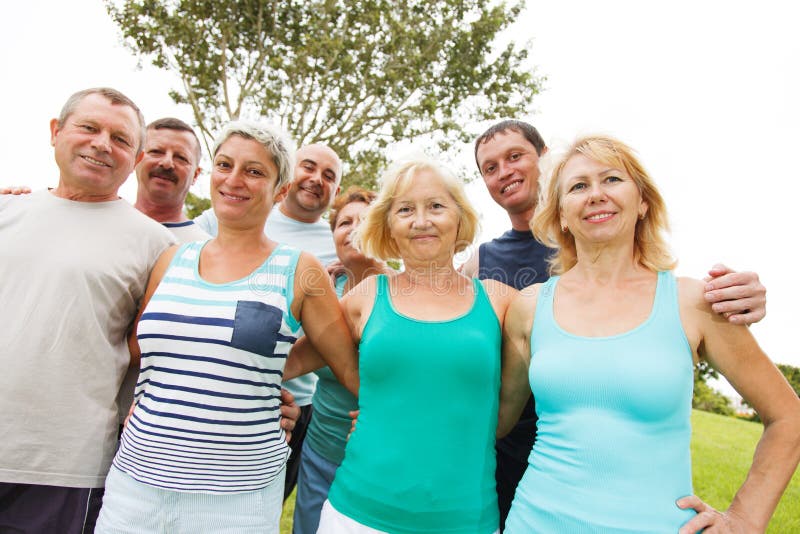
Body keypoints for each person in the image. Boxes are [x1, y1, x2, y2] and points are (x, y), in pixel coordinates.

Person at [462, 119, 770, 529]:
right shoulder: (508, 288)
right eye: (578, 187)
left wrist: (745, 519)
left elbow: (788, 417)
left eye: (611, 179)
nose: (596, 195)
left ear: (643, 201)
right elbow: (490, 413)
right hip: (526, 510)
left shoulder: (692, 301)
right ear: (562, 216)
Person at [94, 120, 358, 534]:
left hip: (237, 499)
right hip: (135, 484)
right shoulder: (171, 259)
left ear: (280, 190)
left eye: (254, 171)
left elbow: (343, 358)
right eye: (224, 165)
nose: (234, 180)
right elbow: (139, 354)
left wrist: (269, 371)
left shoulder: (299, 269)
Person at [0, 87, 175, 533]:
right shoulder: (7, 210)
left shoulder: (156, 245)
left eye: (120, 139)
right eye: (89, 127)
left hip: (62, 466)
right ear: (56, 132)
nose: (102, 143)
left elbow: (153, 352)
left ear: (134, 159)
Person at [317, 158, 515, 534]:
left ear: (460, 219)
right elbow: (287, 359)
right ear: (388, 227)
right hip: (356, 517)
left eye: (436, 206)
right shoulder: (366, 297)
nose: (421, 220)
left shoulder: (502, 302)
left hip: (466, 521)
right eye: (405, 209)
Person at [194, 142, 342, 499]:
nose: (316, 179)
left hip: (294, 403)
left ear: (335, 191)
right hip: (216, 386)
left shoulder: (339, 242)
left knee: (260, 504)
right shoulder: (232, 212)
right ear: (289, 175)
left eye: (329, 176)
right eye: (308, 167)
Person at [292, 186, 387, 534]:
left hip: (375, 455)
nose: (353, 229)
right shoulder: (324, 290)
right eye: (344, 222)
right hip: (319, 451)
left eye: (364, 221)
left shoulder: (405, 292)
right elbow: (289, 358)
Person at [133, 117, 209, 241]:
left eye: (181, 158)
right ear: (136, 158)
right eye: (156, 151)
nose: (167, 163)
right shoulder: (103, 223)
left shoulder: (203, 251)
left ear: (195, 175)